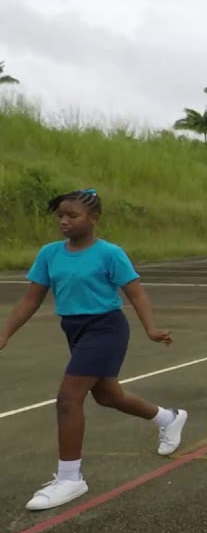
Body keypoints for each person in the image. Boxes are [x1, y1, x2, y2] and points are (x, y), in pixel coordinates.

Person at [0, 189, 189, 511]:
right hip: (74, 329)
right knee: (107, 395)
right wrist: (4, 333)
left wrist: (151, 329)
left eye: (72, 216)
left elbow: (136, 294)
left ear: (93, 218)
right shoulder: (49, 254)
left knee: (68, 398)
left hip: (106, 329)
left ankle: (70, 478)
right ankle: (167, 418)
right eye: (60, 215)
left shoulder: (110, 254)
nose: (64, 221)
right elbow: (31, 299)